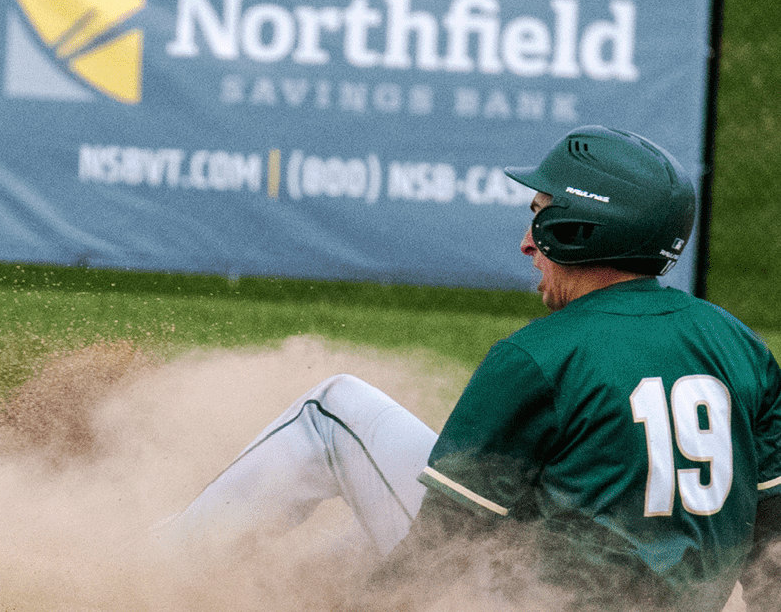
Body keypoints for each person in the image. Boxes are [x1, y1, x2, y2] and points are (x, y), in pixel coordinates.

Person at [156, 125, 781, 612]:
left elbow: (437, 556)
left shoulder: (538, 357)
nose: (527, 242)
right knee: (364, 525)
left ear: (576, 229)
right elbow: (772, 547)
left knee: (333, 410)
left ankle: (144, 571)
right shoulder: (740, 347)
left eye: (539, 214)